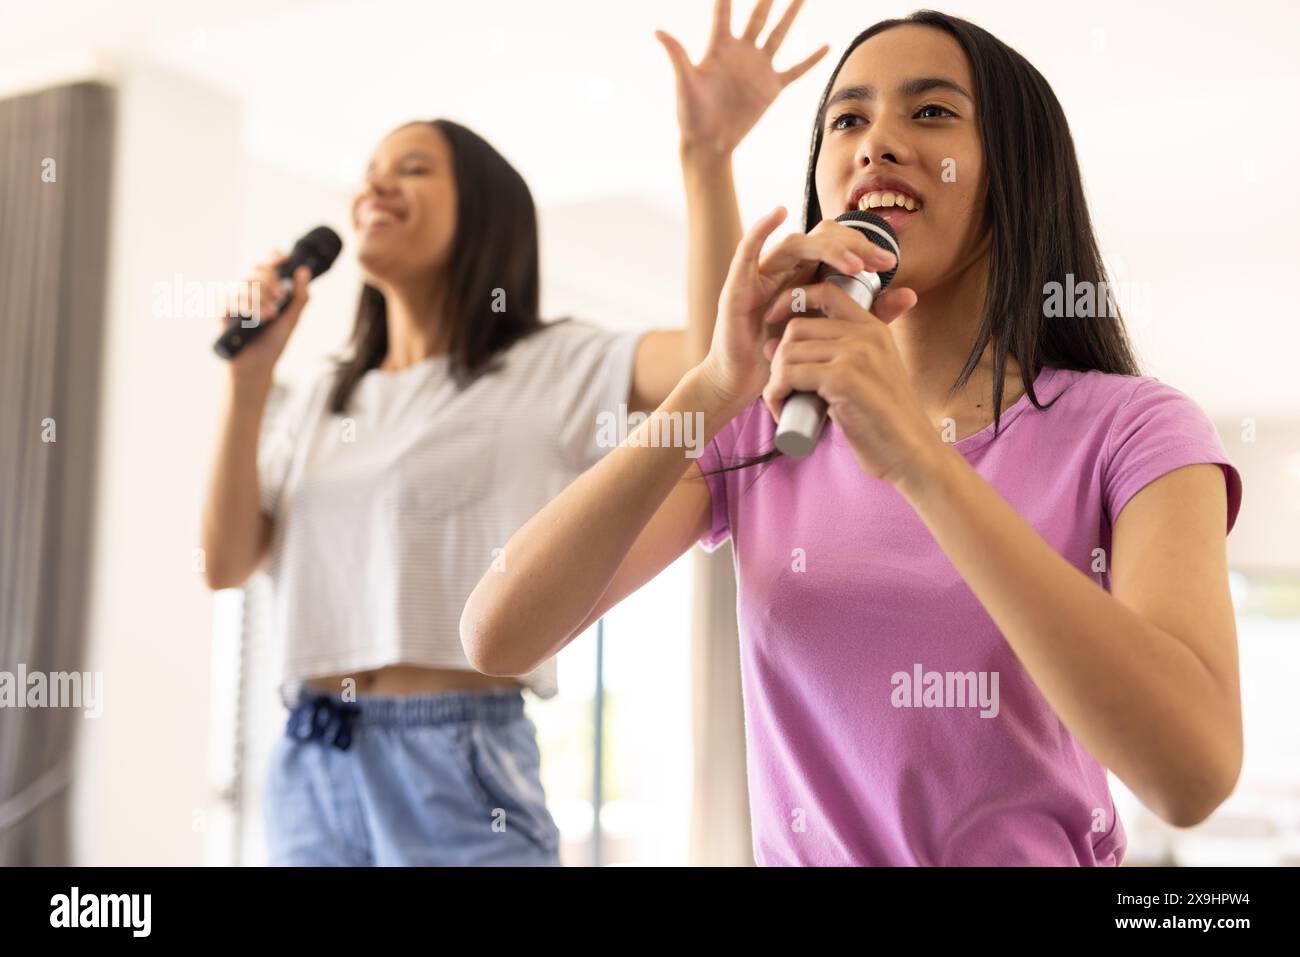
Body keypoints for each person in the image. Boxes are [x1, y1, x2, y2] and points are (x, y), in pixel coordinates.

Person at [461, 10, 1245, 866]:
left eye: (932, 113)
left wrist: (920, 459)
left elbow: (1191, 773)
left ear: (1019, 172)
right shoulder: (761, 425)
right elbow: (497, 635)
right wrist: (716, 383)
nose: (877, 143)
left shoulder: (1135, 428)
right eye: (847, 119)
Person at [200, 1, 826, 866]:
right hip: (310, 752)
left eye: (411, 169)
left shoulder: (552, 362)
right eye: (369, 171)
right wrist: (249, 381)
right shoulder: (321, 402)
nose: (373, 187)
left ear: (484, 213)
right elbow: (225, 563)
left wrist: (706, 156)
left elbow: (723, 349)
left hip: (456, 757)